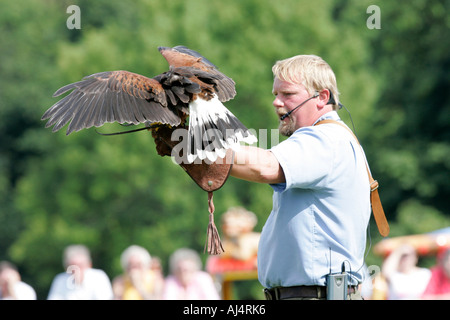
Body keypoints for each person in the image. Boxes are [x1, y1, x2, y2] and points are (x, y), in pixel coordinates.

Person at [229, 54, 371, 299]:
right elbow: (256, 166)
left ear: (322, 97)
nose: (276, 102)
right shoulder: (332, 139)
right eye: (276, 94)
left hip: (316, 295)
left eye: (287, 94)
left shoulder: (326, 138)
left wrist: (197, 147)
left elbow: (264, 166)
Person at [47, 244, 113, 300]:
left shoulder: (99, 277)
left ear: (89, 265)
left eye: (80, 265)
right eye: (73, 266)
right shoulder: (60, 280)